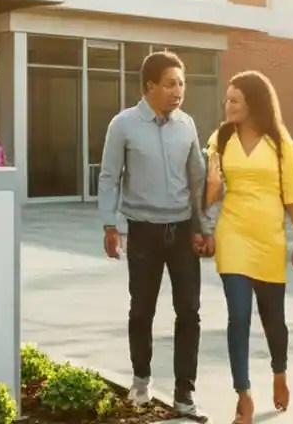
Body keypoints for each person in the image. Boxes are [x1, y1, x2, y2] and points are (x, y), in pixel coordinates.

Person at [97, 51, 209, 420]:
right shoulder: (123, 125)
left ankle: (184, 393)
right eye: (171, 83)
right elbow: (110, 176)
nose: (179, 90)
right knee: (142, 309)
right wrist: (110, 225)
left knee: (189, 312)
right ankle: (141, 378)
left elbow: (198, 179)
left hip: (180, 231)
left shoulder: (187, 125)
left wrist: (202, 226)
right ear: (150, 87)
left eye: (182, 83)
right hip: (142, 230)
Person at [203, 70, 293, 424]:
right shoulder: (219, 139)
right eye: (227, 99)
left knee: (273, 319)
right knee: (238, 314)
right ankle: (243, 394)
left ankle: (279, 371)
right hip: (232, 232)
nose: (227, 105)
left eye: (235, 100)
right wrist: (214, 185)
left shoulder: (281, 143)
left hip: (268, 237)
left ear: (253, 103)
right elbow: (209, 197)